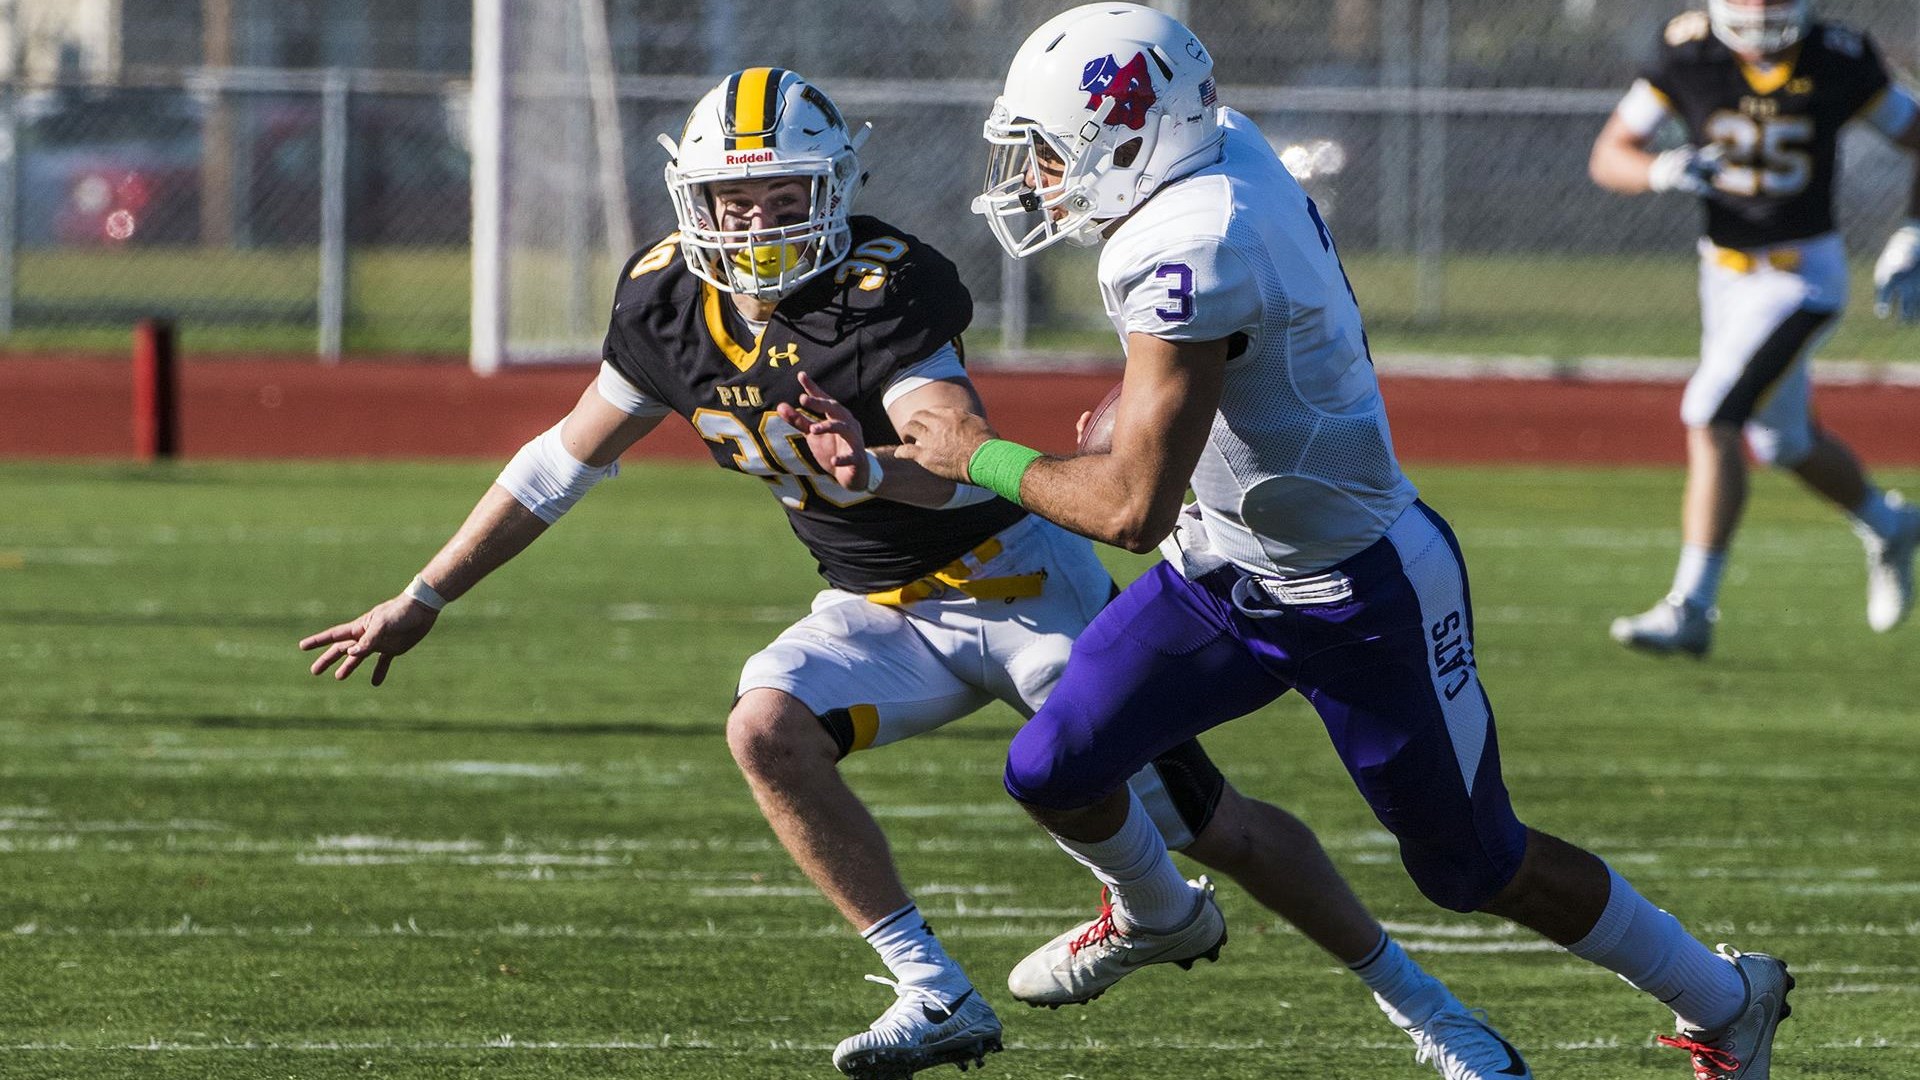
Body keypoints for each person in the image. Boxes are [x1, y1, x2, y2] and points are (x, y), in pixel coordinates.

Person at [298, 69, 1520, 1080]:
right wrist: (426, 593)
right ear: (694, 197)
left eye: (787, 194)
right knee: (764, 725)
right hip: (876, 611)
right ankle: (936, 992)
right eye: (739, 196)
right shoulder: (666, 299)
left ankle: (1424, 1011)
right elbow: (559, 465)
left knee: (1220, 829)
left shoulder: (884, 287)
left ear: (835, 191)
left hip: (1022, 588)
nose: (763, 220)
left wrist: (868, 470)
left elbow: (948, 470)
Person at [865, 5, 1794, 1078]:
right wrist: (1143, 414)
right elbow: (1218, 382)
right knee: (1053, 766)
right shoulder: (1221, 148)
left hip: (1363, 590)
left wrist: (975, 451)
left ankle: (1727, 998)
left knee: (1474, 866)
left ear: (1129, 138)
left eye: (1053, 153)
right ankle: (1156, 913)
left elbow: (1129, 512)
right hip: (1223, 572)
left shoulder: (1188, 241)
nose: (1038, 180)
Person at [1589, 0, 1920, 656]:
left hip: (1802, 277)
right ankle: (1889, 523)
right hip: (1725, 278)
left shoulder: (1838, 57)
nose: (1763, 23)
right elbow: (1610, 153)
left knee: (1713, 414)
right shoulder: (1689, 53)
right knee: (1785, 442)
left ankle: (1691, 607)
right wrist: (1660, 169)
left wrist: (1913, 232)